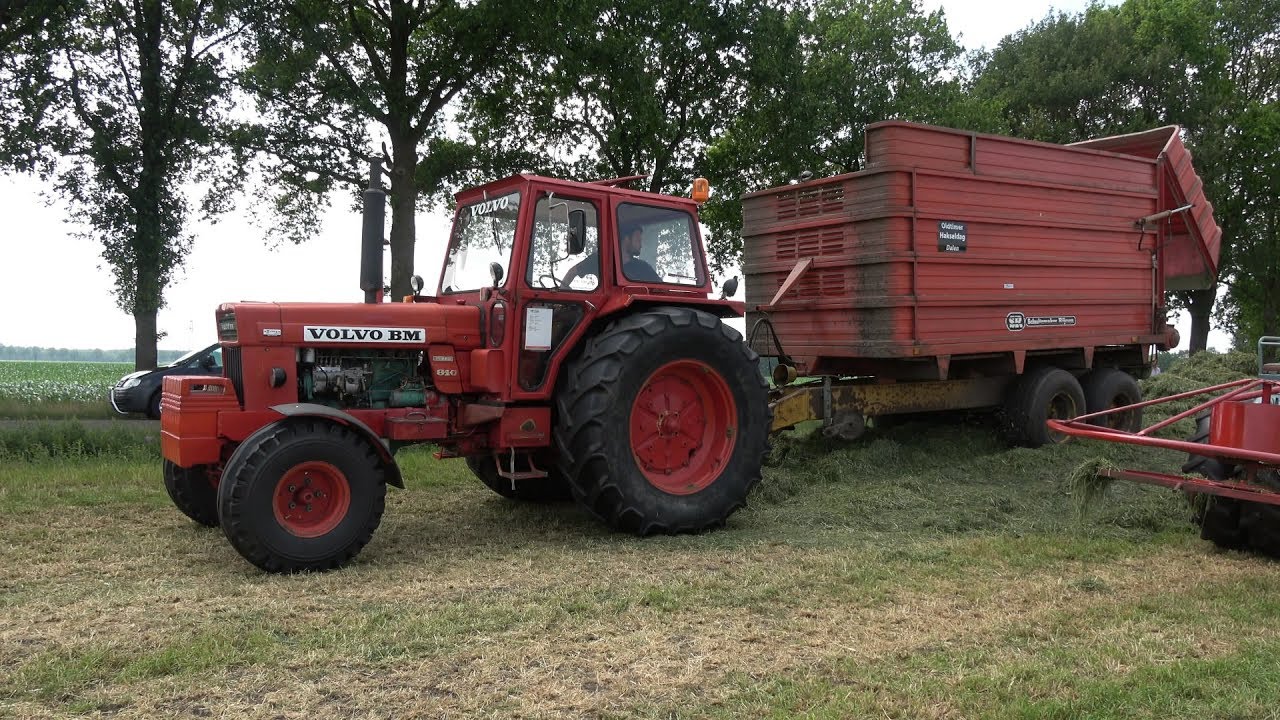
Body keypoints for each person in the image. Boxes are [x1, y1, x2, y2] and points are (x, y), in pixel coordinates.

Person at [560, 221, 661, 288]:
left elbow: (661, 289)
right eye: (638, 240)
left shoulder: (643, 268)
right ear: (626, 239)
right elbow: (572, 272)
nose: (641, 245)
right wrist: (561, 296)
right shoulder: (600, 260)